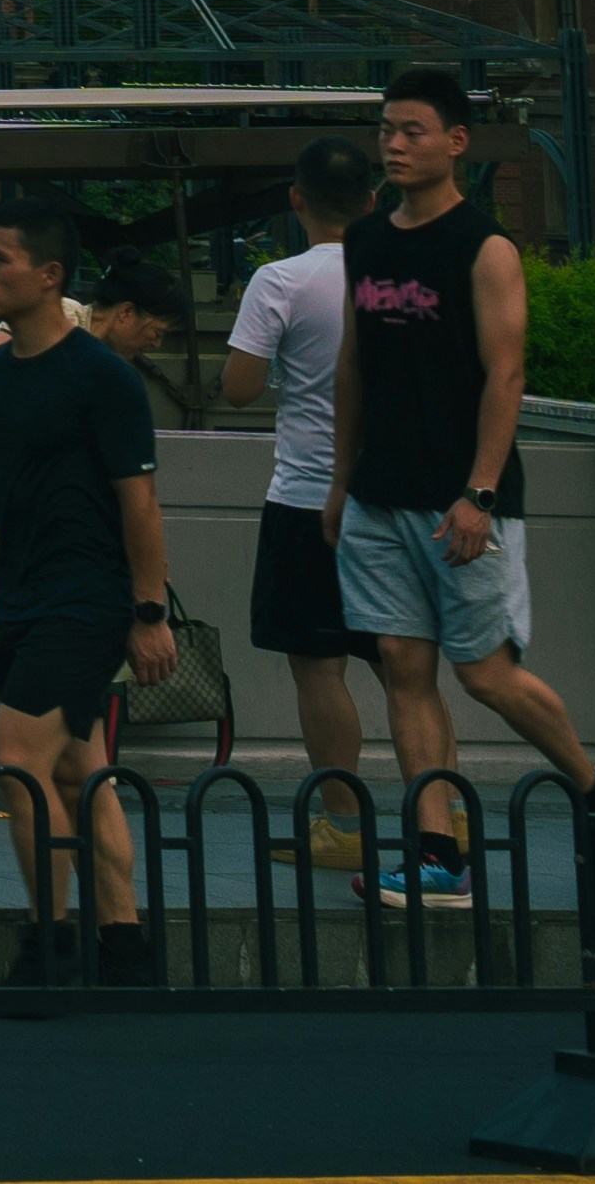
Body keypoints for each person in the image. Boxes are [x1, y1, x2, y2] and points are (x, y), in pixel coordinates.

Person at [328, 61, 595, 908]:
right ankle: (438, 854)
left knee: (487, 674)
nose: (393, 143)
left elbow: (507, 376)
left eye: (411, 129)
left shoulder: (484, 245)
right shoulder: (366, 240)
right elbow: (353, 366)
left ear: (455, 142)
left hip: (463, 497)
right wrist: (340, 483)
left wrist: (481, 490)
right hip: (379, 493)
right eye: (386, 128)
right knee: (400, 663)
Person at [0, 205, 172, 989]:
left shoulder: (103, 377)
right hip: (21, 599)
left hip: (87, 601)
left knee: (15, 761)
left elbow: (140, 504)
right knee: (76, 773)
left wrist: (147, 613)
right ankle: (125, 945)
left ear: (49, 275)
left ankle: (49, 944)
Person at [221, 140, 383, 872]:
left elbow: (239, 388)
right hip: (401, 495)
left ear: (297, 199)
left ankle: (344, 826)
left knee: (320, 667)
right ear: (374, 200)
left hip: (308, 494)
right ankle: (449, 819)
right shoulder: (406, 276)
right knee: (408, 670)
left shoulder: (280, 279)